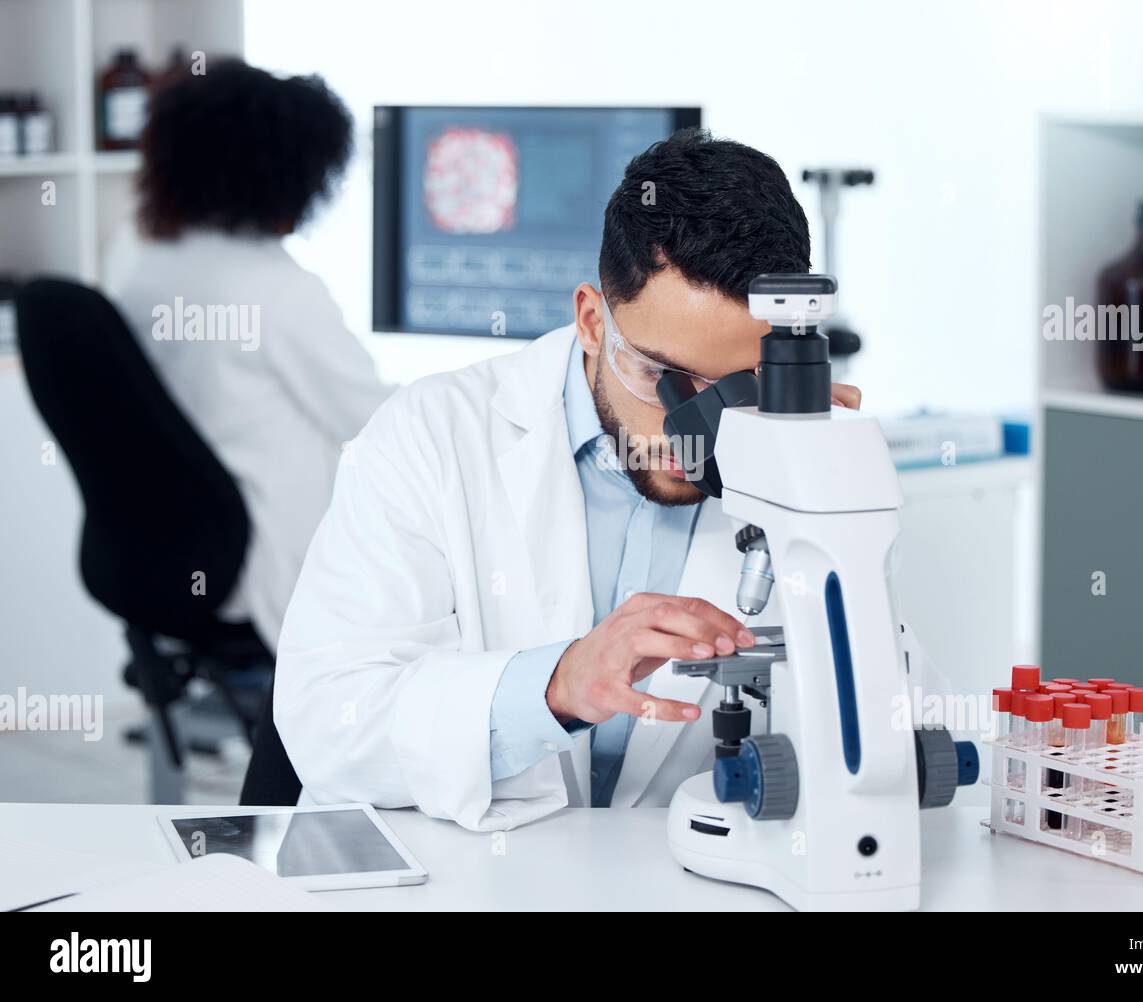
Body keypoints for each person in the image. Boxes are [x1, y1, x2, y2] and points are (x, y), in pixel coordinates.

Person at [276, 128, 927, 830]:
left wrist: (834, 504)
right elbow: (329, 722)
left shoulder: (799, 460)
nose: (694, 430)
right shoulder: (432, 435)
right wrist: (555, 686)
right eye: (663, 378)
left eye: (739, 385)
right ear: (592, 320)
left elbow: (893, 721)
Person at [106, 61, 390, 651]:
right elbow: (378, 425)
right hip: (266, 569)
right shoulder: (277, 289)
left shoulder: (140, 264)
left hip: (165, 553)